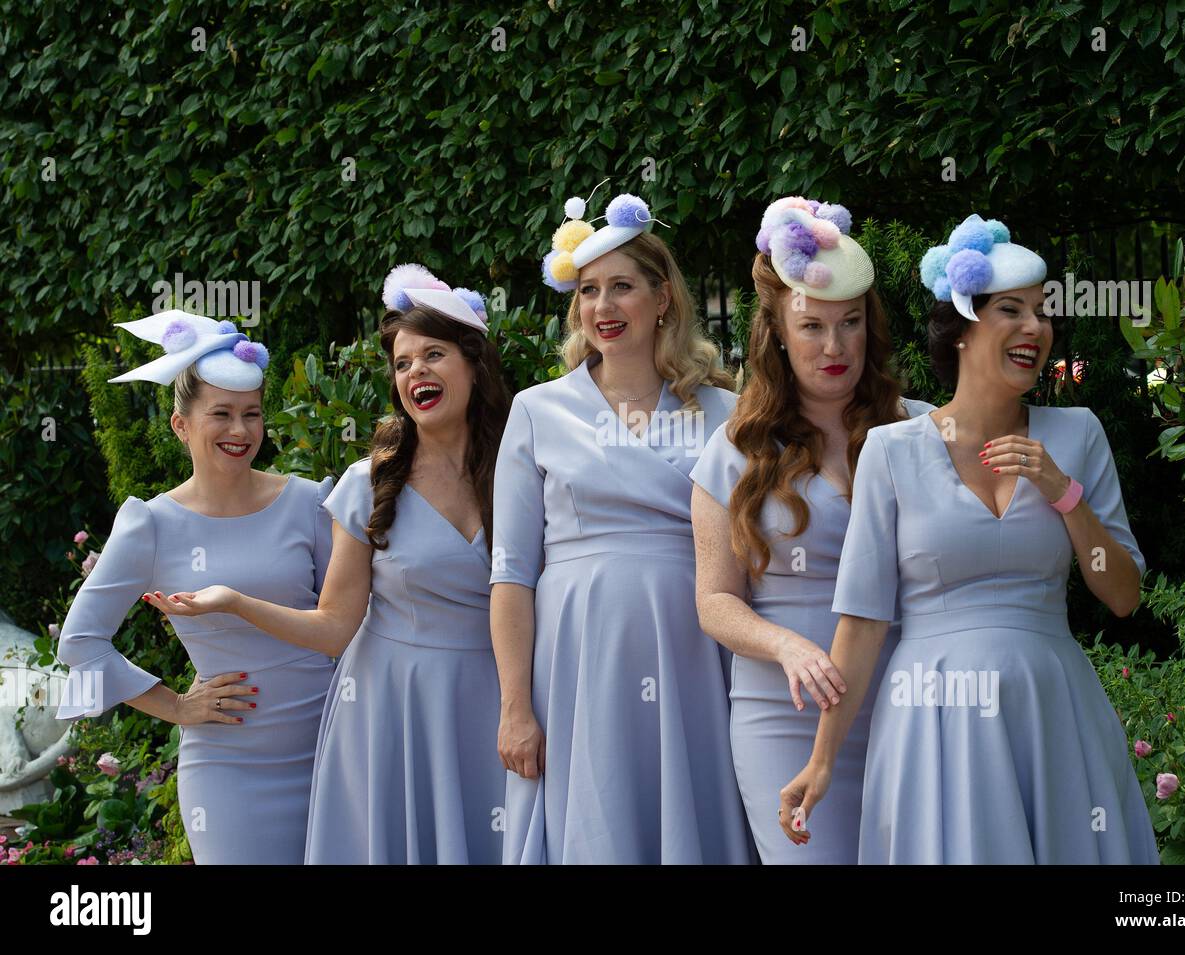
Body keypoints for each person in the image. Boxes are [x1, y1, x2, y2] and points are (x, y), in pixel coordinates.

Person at [779, 214, 1160, 863]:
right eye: (1011, 310)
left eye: (1042, 312)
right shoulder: (890, 452)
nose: (1036, 329)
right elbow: (863, 623)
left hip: (1052, 710)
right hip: (934, 722)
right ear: (960, 330)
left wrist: (1063, 491)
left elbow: (1122, 594)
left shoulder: (1078, 432)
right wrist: (822, 760)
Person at [149, 269, 510, 863]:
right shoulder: (369, 484)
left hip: (495, 698)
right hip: (394, 709)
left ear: (474, 364)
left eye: (434, 355)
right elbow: (334, 626)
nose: (415, 371)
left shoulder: (521, 469)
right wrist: (235, 601)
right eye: (402, 363)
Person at [491, 186, 752, 863]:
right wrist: (516, 704)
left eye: (621, 287)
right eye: (588, 291)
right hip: (578, 654)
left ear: (663, 296)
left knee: (692, 805)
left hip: (696, 646)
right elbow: (512, 572)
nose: (602, 307)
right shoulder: (536, 411)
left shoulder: (726, 412)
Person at [691, 196, 935, 863]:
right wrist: (788, 646)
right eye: (813, 327)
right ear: (776, 333)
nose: (835, 347)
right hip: (783, 714)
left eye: (850, 324)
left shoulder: (922, 429)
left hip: (907, 701)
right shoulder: (731, 449)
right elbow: (714, 601)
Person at [56, 312, 335, 864]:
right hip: (229, 773)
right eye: (222, 415)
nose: (240, 431)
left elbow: (346, 624)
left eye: (252, 415)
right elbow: (80, 641)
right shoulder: (151, 525)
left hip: (334, 752)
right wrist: (178, 707)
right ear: (181, 425)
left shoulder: (310, 504)